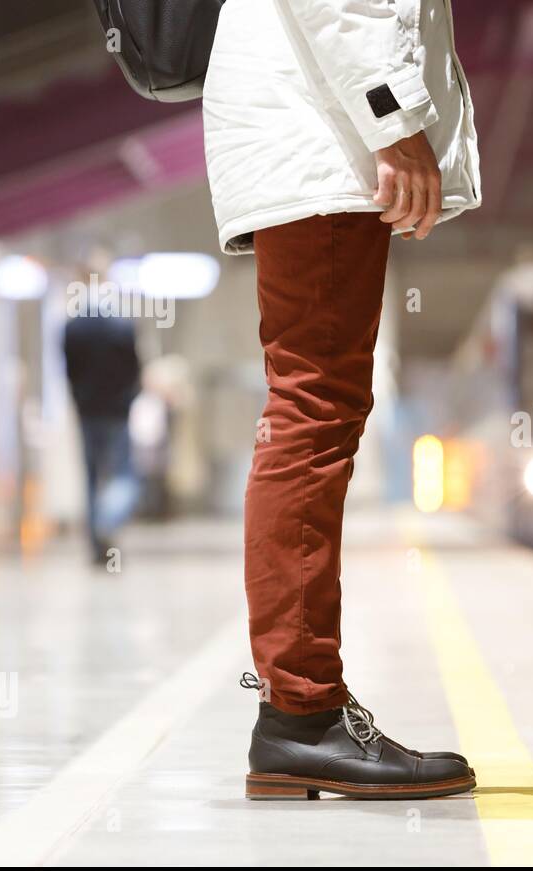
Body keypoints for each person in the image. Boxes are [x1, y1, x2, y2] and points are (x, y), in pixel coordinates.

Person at [203, 0, 481, 799]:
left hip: (312, 139)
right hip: (322, 143)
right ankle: (301, 713)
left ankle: (299, 714)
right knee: (313, 411)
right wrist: (392, 121)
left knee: (315, 408)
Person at [62, 292, 143, 564]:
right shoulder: (121, 325)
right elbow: (134, 369)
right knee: (123, 475)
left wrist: (79, 399)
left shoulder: (72, 328)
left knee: (91, 477)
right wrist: (128, 399)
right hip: (117, 413)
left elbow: (69, 371)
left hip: (87, 412)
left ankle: (96, 544)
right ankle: (106, 521)